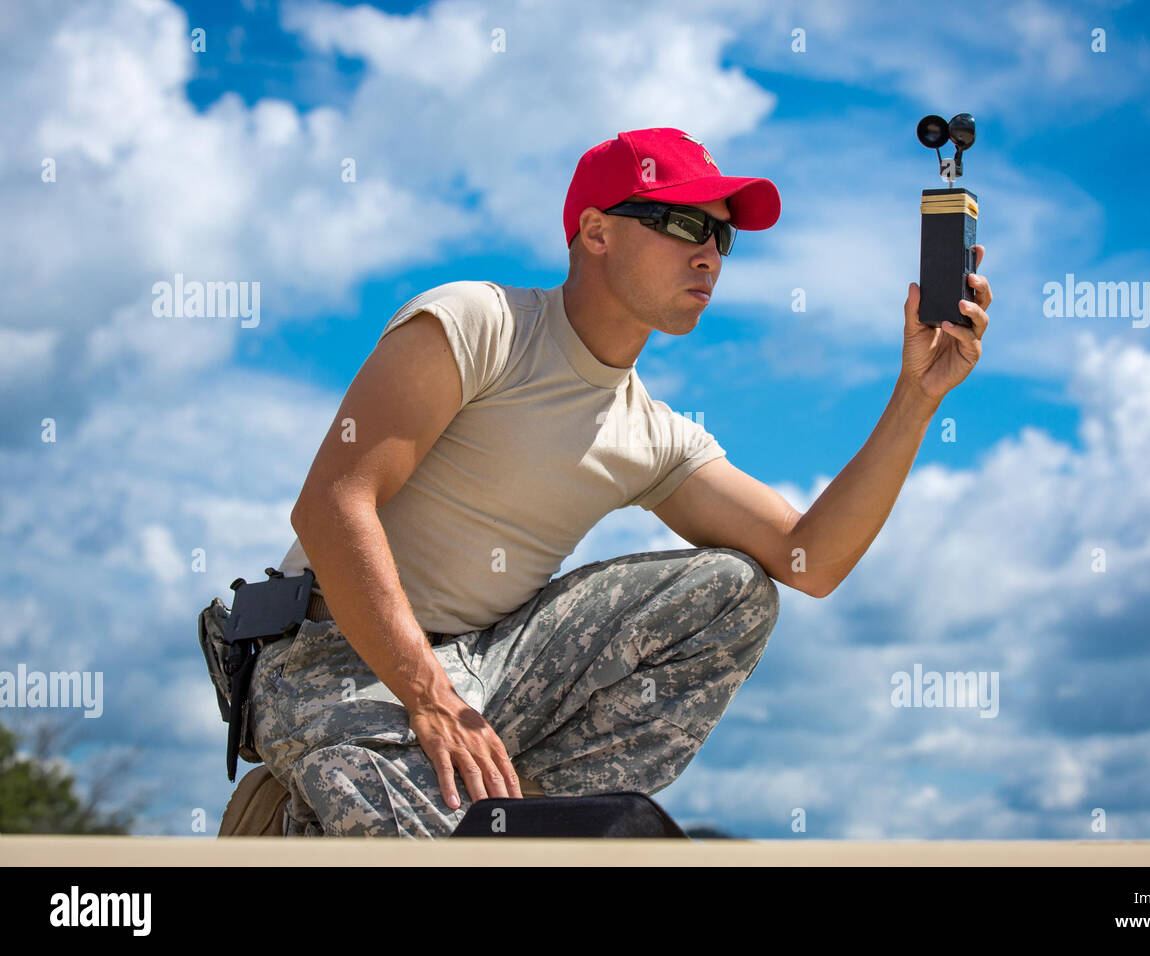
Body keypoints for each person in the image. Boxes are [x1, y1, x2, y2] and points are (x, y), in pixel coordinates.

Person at [248, 127, 993, 837]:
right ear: (597, 231)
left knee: (734, 588)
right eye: (684, 225)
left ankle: (495, 805)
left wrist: (916, 396)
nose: (710, 256)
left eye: (721, 236)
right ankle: (333, 798)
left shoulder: (653, 434)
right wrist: (426, 696)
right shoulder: (479, 323)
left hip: (485, 675)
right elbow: (332, 505)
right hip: (333, 657)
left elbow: (811, 560)